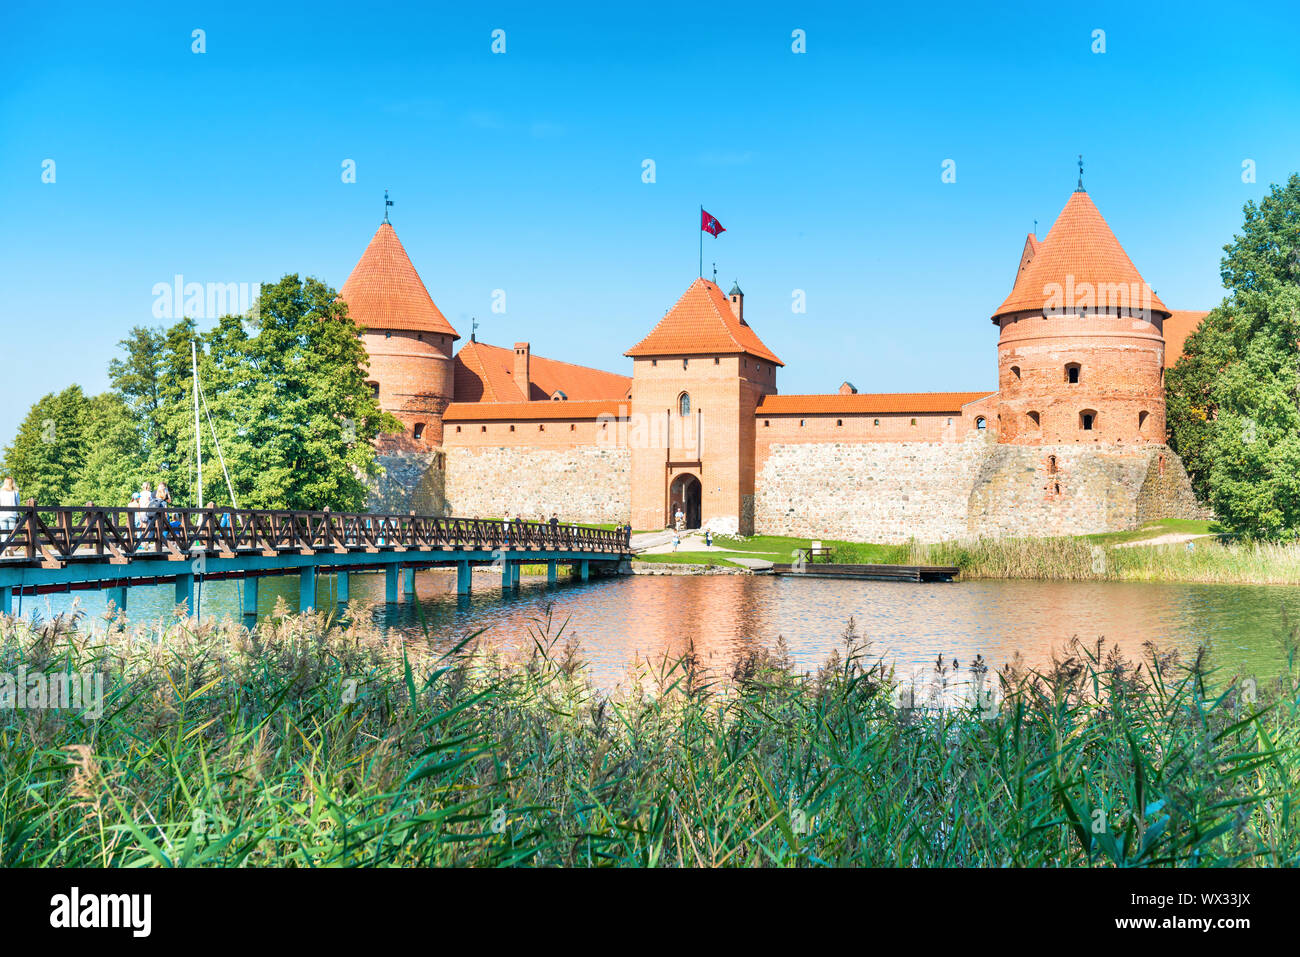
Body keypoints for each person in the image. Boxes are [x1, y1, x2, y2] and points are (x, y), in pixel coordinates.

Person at [0, 477, 19, 557]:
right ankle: (9, 547)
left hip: (2, 515)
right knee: (12, 533)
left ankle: (4, 550)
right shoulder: (15, 492)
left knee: (4, 533)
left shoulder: (1, 492)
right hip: (12, 515)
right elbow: (17, 503)